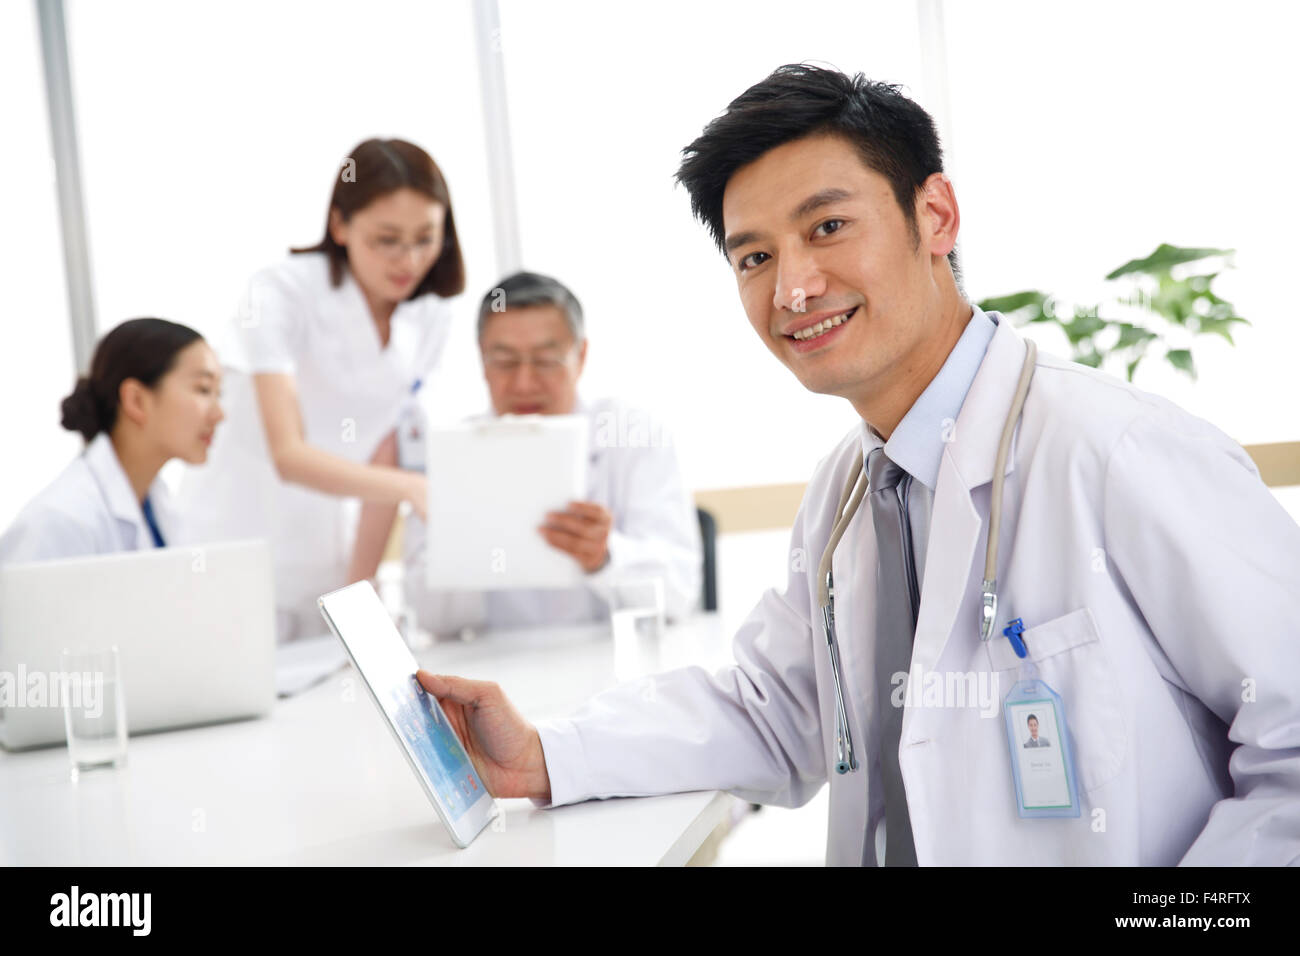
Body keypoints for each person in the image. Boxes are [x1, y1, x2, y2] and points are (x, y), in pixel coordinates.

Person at [409, 65, 1300, 865]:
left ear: (935, 215)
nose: (791, 286)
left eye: (828, 226)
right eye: (754, 256)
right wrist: (543, 755)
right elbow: (775, 709)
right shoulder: (849, 488)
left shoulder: (1117, 452)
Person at [176, 138, 466, 641]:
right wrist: (416, 489)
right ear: (339, 225)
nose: (409, 259)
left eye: (426, 238)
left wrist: (359, 598)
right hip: (231, 543)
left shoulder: (430, 316)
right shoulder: (281, 292)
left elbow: (387, 456)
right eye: (387, 239)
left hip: (323, 557)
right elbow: (288, 455)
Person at [357, 270, 702, 631]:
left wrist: (605, 556)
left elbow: (678, 594)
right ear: (482, 362)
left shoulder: (631, 436)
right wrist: (464, 537)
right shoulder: (451, 453)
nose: (524, 383)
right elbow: (435, 621)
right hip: (499, 671)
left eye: (545, 360)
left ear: (580, 356)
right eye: (504, 362)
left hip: (612, 663)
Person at [0, 318, 223, 563]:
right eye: (203, 389)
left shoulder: (161, 507)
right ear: (136, 400)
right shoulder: (57, 522)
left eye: (218, 394)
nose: (219, 414)